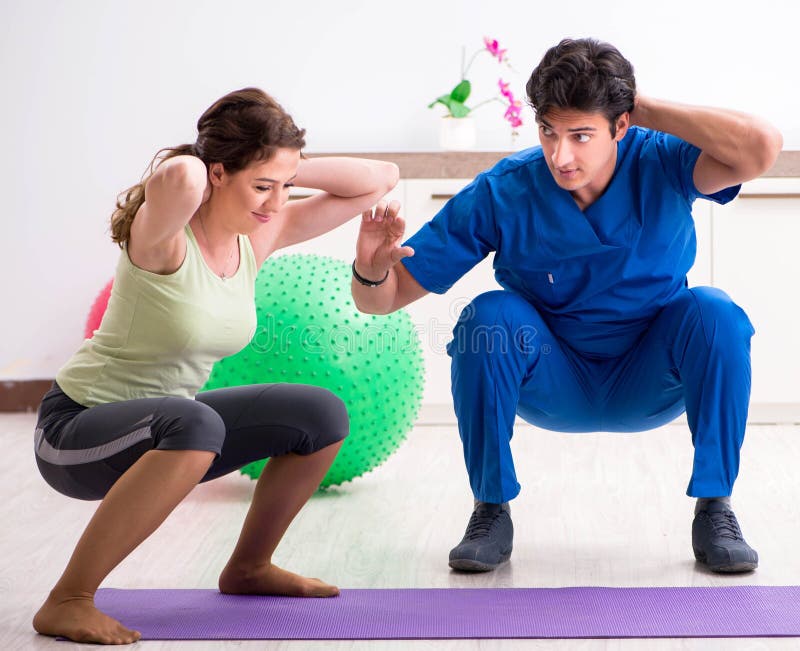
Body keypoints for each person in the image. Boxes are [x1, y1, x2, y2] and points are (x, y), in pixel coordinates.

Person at [351, 39, 782, 575]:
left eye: (581, 135)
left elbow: (762, 148)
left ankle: (715, 507)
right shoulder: (506, 190)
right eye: (549, 132)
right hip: (554, 379)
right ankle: (491, 509)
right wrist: (370, 267)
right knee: (488, 317)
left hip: (651, 374)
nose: (561, 156)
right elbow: (383, 299)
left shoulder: (664, 160)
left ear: (621, 126)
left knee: (716, 313)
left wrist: (641, 106)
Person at [32, 87, 399, 644]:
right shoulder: (161, 237)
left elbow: (381, 178)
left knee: (319, 413)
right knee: (195, 421)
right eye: (261, 186)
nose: (275, 204)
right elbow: (180, 180)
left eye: (285, 188)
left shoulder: (258, 236)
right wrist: (226, 160)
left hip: (169, 428)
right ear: (218, 173)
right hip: (75, 430)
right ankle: (68, 599)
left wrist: (282, 164)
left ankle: (249, 568)